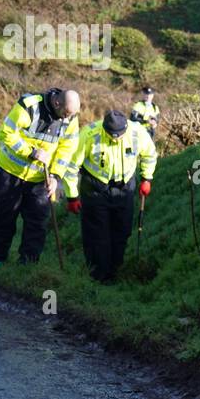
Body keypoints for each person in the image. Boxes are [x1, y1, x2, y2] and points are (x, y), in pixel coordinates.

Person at [0, 88, 80, 273]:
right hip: (10, 171)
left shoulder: (71, 118)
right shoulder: (29, 105)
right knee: (4, 216)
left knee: (37, 221)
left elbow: (67, 149)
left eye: (72, 114)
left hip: (40, 179)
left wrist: (55, 176)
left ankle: (28, 264)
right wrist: (31, 152)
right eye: (66, 113)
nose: (68, 118)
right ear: (57, 103)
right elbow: (6, 133)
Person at [62, 109, 157, 284]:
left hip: (124, 187)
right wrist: (72, 197)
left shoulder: (138, 133)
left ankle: (116, 271)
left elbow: (149, 155)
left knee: (122, 231)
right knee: (97, 234)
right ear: (104, 129)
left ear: (125, 129)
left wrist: (146, 178)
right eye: (111, 135)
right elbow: (71, 167)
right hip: (95, 188)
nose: (115, 139)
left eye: (118, 136)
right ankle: (99, 276)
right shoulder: (89, 134)